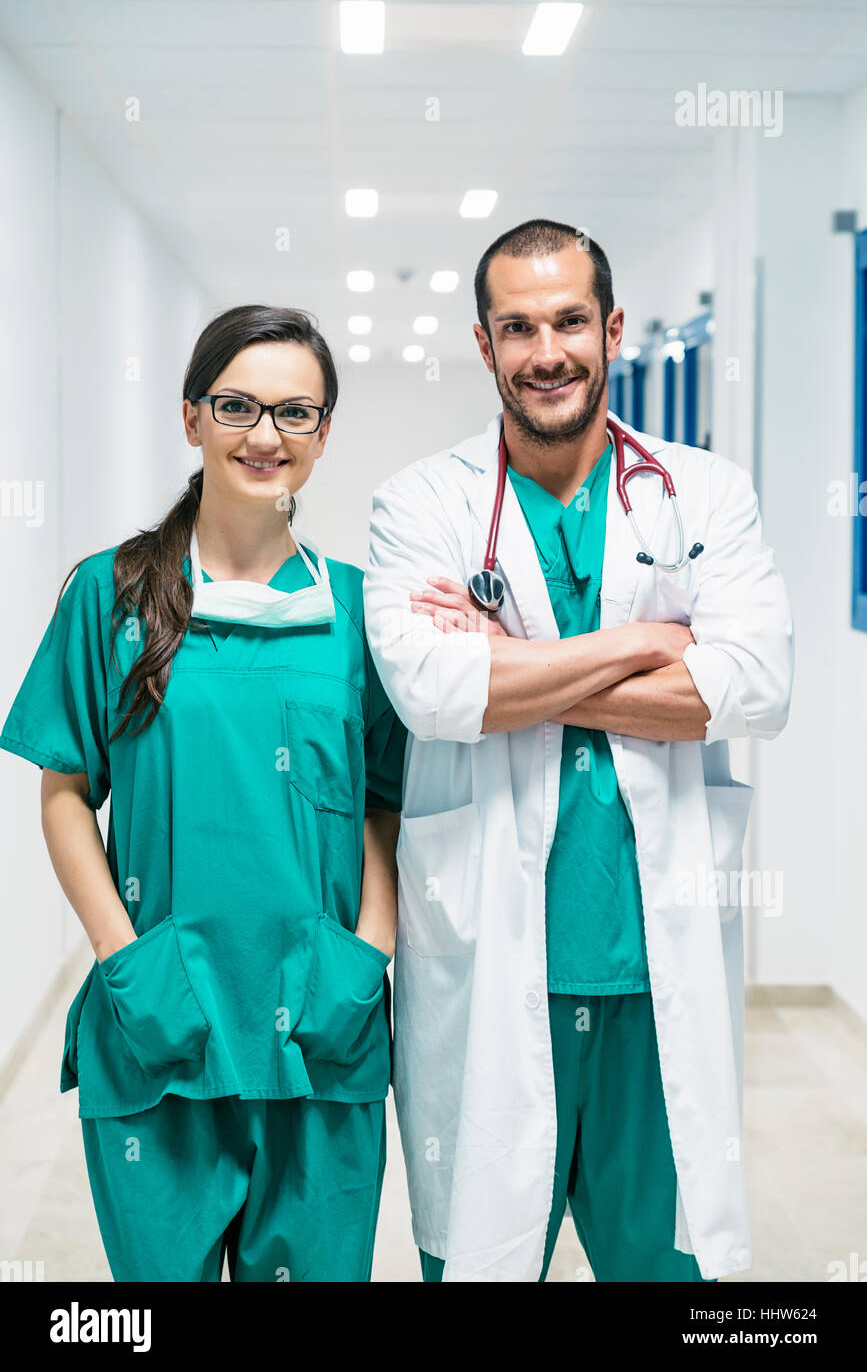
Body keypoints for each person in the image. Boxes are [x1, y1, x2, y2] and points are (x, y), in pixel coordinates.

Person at [363, 220, 794, 1282]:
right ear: (484, 343)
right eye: (518, 326)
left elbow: (750, 687)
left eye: (567, 321)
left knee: (670, 1273)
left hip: (658, 973)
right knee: (484, 1259)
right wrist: (652, 643)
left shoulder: (706, 492)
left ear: (608, 330)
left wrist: (519, 667)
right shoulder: (420, 502)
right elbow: (434, 693)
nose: (545, 350)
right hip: (493, 961)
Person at [0, 304, 407, 1282]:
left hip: (321, 1022)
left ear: (321, 435)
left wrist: (370, 960)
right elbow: (65, 792)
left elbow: (383, 803)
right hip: (161, 1021)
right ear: (192, 418)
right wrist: (122, 959)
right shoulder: (111, 595)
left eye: (295, 413)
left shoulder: (359, 611)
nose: (265, 435)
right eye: (237, 405)